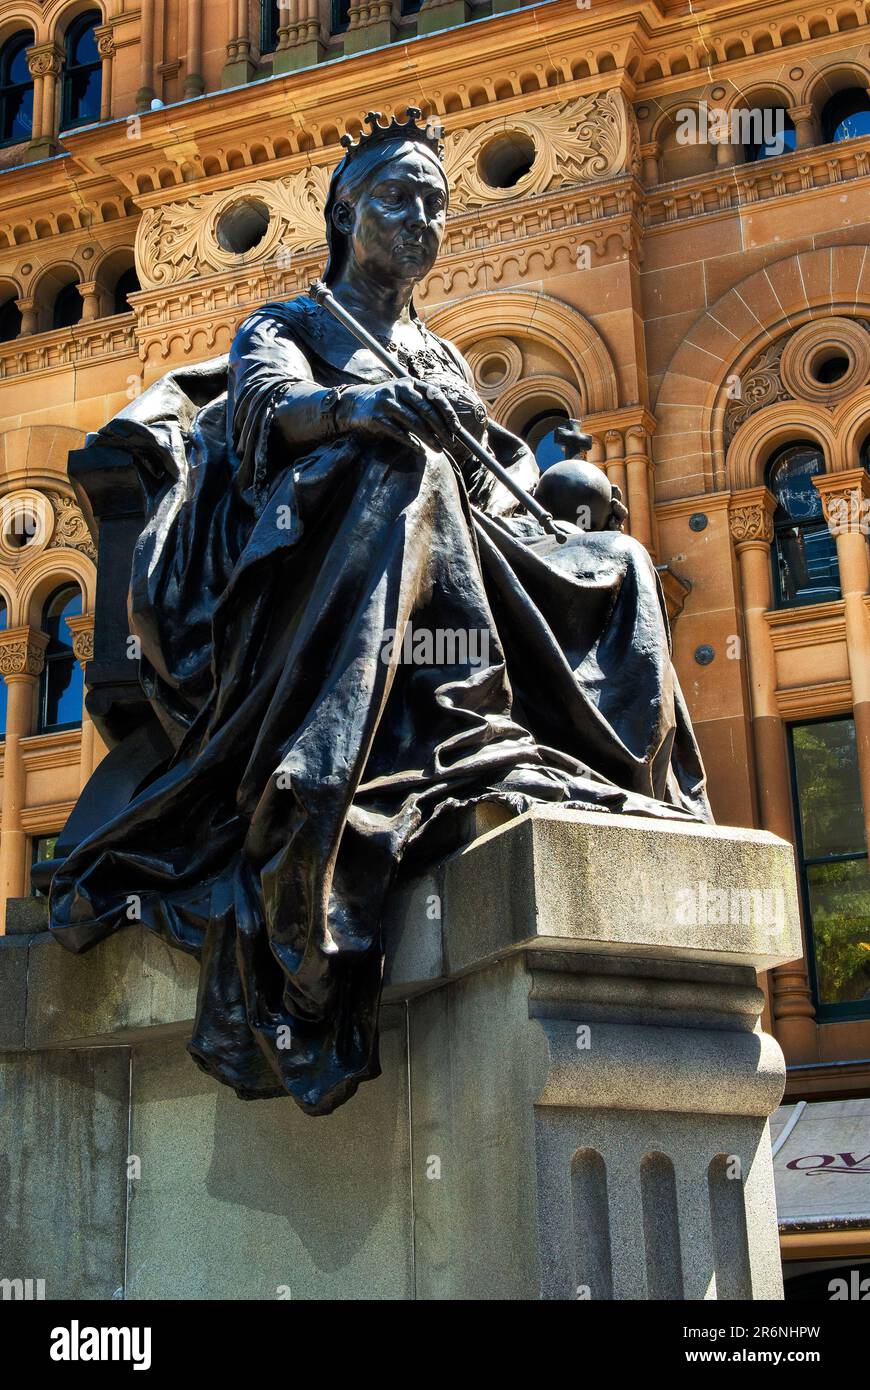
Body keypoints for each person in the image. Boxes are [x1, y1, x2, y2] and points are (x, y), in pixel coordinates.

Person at [50, 110, 711, 1116]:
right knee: (399, 473)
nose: (421, 217)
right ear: (344, 212)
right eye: (399, 197)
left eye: (436, 203)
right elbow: (276, 414)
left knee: (614, 557)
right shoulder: (292, 324)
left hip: (447, 570)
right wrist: (369, 411)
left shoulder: (442, 356)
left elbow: (494, 493)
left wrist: (562, 498)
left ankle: (622, 783)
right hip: (306, 581)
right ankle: (411, 749)